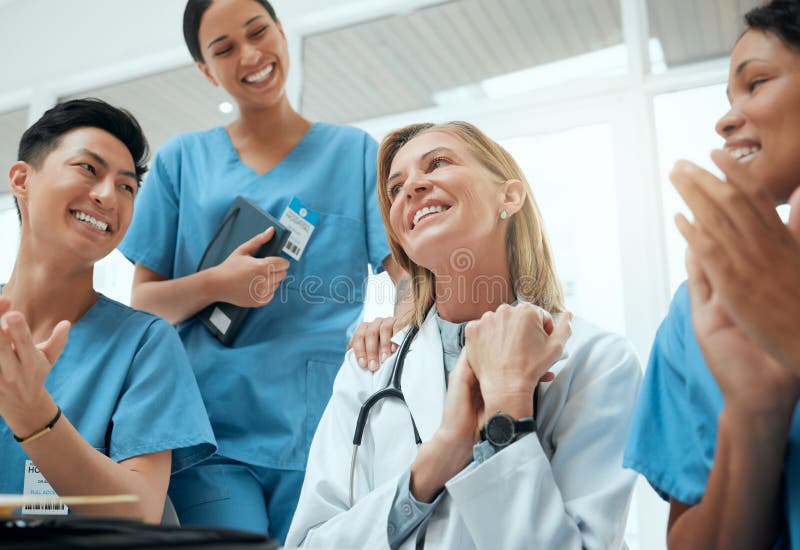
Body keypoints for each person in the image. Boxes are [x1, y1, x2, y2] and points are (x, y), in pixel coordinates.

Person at [118, 0, 408, 541]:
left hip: (323, 425)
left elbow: (407, 277)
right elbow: (143, 304)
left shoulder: (354, 153)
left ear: (281, 32)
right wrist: (216, 285)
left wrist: (394, 321)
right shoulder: (183, 162)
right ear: (206, 70)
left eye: (258, 32)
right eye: (224, 48)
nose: (250, 55)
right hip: (210, 433)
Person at [285, 121, 643, 549]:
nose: (412, 188)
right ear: (402, 237)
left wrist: (508, 413)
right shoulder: (370, 369)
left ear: (508, 196)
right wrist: (431, 468)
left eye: (438, 163)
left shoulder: (595, 361)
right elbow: (308, 544)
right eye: (396, 189)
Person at [624, 1, 800, 547]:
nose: (725, 120)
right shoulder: (702, 312)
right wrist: (753, 415)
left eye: (757, 83)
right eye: (729, 98)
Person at [0, 98, 216, 523]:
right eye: (88, 169)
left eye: (126, 187)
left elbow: (138, 512)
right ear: (22, 180)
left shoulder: (144, 344)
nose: (107, 197)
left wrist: (34, 416)